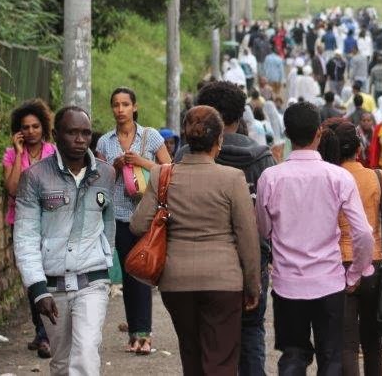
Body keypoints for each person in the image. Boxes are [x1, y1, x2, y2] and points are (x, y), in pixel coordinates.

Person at [131, 106, 260, 376]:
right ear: (219, 140)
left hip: (176, 282)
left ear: (186, 139)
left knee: (191, 355)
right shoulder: (232, 179)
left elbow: (138, 224)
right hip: (223, 283)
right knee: (220, 360)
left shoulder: (163, 175)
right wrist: (252, 285)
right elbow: (248, 238)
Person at [256, 102, 375, 374]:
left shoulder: (270, 178)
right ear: (319, 132)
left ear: (286, 133)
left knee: (293, 356)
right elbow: (364, 233)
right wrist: (356, 272)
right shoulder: (339, 177)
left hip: (288, 285)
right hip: (329, 282)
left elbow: (262, 229)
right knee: (331, 358)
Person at [13, 106, 115, 376]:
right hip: (52, 285)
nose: (80, 139)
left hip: (92, 281)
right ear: (56, 135)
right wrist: (38, 289)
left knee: (86, 353)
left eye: (86, 133)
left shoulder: (105, 174)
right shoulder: (34, 178)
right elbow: (25, 236)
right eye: (72, 133)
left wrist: (106, 261)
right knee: (61, 362)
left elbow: (109, 224)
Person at [186, 81, 276, 376]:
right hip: (252, 264)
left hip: (198, 264)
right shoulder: (262, 158)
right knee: (251, 334)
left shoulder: (187, 156)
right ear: (241, 115)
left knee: (206, 341)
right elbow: (270, 216)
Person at [318, 117, 382, 376]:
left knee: (346, 343)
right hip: (374, 265)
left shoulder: (326, 179)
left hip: (337, 266)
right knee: (372, 340)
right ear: (359, 148)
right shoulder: (378, 178)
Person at [97, 87, 170, 355]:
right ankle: (134, 335)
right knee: (129, 275)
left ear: (134, 107)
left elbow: (168, 172)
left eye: (125, 104)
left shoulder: (151, 138)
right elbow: (100, 182)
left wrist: (141, 162)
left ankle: (145, 334)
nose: (120, 109)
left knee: (143, 274)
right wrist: (114, 168)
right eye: (115, 105)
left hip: (145, 216)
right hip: (117, 217)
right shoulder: (104, 142)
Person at [3, 99, 57, 360]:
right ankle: (41, 330)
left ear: (43, 127)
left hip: (49, 223)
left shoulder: (53, 153)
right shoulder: (12, 154)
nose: (31, 131)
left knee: (46, 276)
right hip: (21, 223)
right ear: (19, 130)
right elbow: (13, 189)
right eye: (26, 127)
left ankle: (46, 335)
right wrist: (19, 153)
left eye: (36, 126)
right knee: (31, 278)